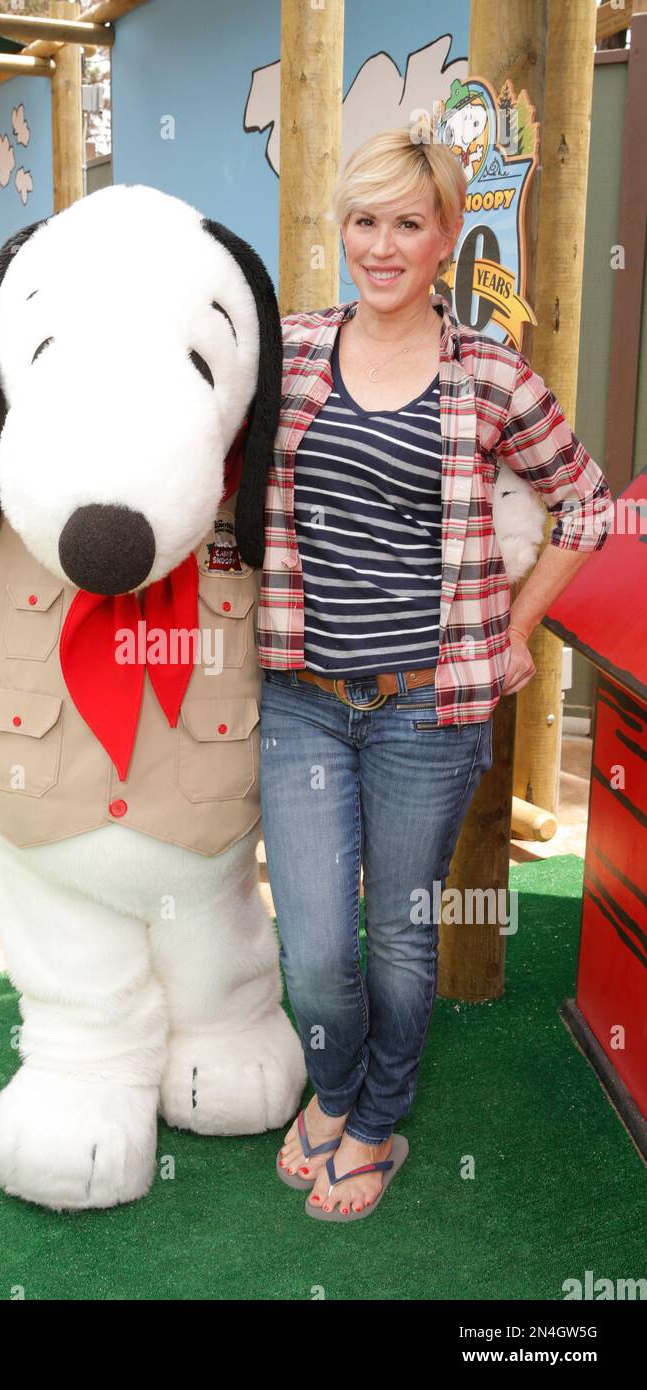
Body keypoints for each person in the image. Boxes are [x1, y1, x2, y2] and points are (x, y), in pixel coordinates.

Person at [263, 127, 612, 1219]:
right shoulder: (285, 353)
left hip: (427, 709)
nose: (380, 245)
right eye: (363, 221)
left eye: (406, 224)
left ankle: (374, 1120)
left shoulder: (491, 376)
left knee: (403, 932)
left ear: (444, 237)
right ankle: (331, 1087)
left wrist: (513, 628)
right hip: (299, 700)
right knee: (316, 945)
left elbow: (590, 506)